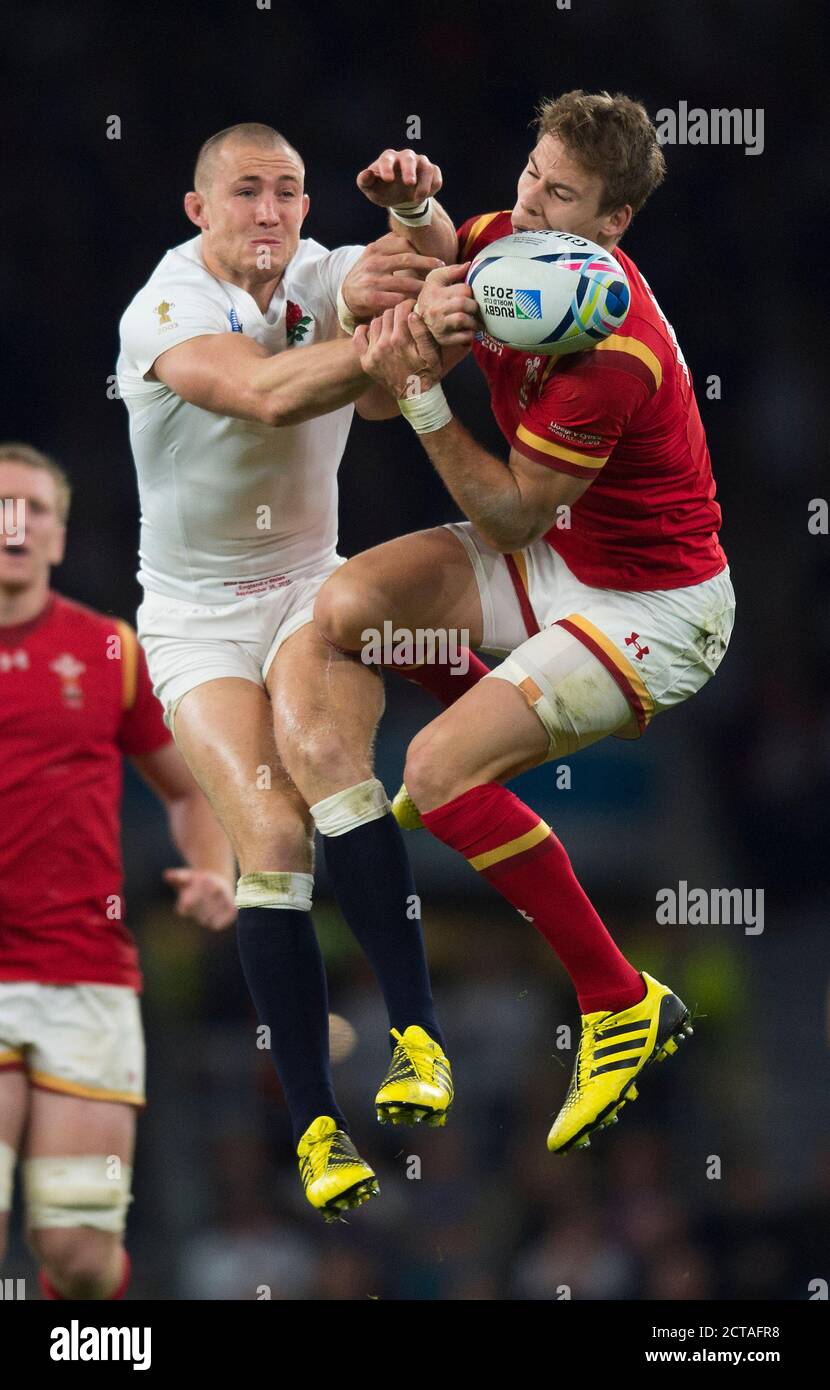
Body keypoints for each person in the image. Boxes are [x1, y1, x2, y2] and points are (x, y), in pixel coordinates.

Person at [315, 90, 735, 1154]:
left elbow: (507, 511)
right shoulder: (514, 240)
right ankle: (476, 765)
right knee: (351, 606)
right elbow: (444, 268)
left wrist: (419, 393)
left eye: (562, 195)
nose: (532, 204)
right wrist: (415, 220)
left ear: (614, 222)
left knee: (434, 773)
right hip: (563, 555)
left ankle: (618, 999)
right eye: (531, 176)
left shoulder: (616, 355)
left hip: (652, 608)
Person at [116, 123, 454, 1221]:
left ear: (308, 205)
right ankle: (316, 1125)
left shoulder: (319, 272)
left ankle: (417, 1037)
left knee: (325, 756)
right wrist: (384, 343)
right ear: (198, 209)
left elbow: (424, 269)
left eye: (289, 192)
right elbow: (265, 394)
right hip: (194, 623)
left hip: (309, 585)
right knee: (268, 840)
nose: (269, 211)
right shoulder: (164, 309)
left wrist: (416, 216)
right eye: (246, 192)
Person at [0, 442, 237, 1299]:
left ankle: (92, 1335)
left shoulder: (111, 652)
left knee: (77, 1254)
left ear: (59, 537)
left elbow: (191, 788)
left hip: (84, 978)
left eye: (35, 509)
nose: (15, 525)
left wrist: (212, 867)